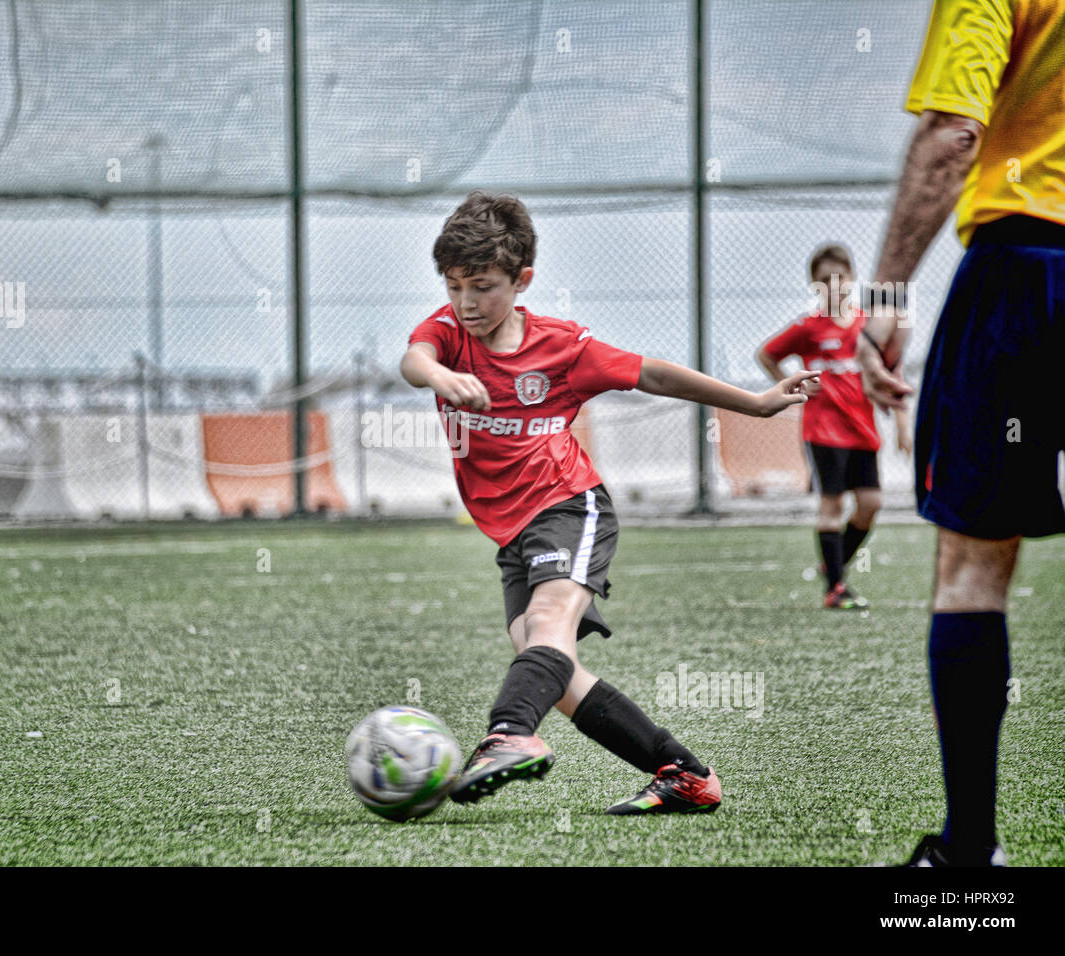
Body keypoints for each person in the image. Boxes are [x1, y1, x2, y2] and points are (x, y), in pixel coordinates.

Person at [401, 191, 818, 812]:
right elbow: (415, 359)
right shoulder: (446, 335)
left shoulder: (563, 348)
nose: (466, 301)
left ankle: (509, 735)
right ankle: (683, 773)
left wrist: (756, 403)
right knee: (553, 670)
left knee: (545, 631)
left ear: (522, 281)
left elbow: (652, 374)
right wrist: (440, 376)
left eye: (483, 286)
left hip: (570, 506)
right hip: (512, 532)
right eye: (455, 283)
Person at [855, 0, 1064, 866]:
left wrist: (885, 297)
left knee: (975, 565)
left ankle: (968, 854)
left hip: (1027, 266)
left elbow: (952, 135)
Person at [757, 243, 911, 609]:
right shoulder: (808, 327)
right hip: (823, 430)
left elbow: (892, 373)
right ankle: (835, 589)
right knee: (832, 503)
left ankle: (833, 564)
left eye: (840, 277)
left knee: (871, 503)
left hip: (863, 430)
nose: (834, 285)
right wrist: (792, 384)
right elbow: (766, 354)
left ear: (853, 279)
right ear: (815, 285)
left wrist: (903, 423)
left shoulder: (866, 327)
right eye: (825, 280)